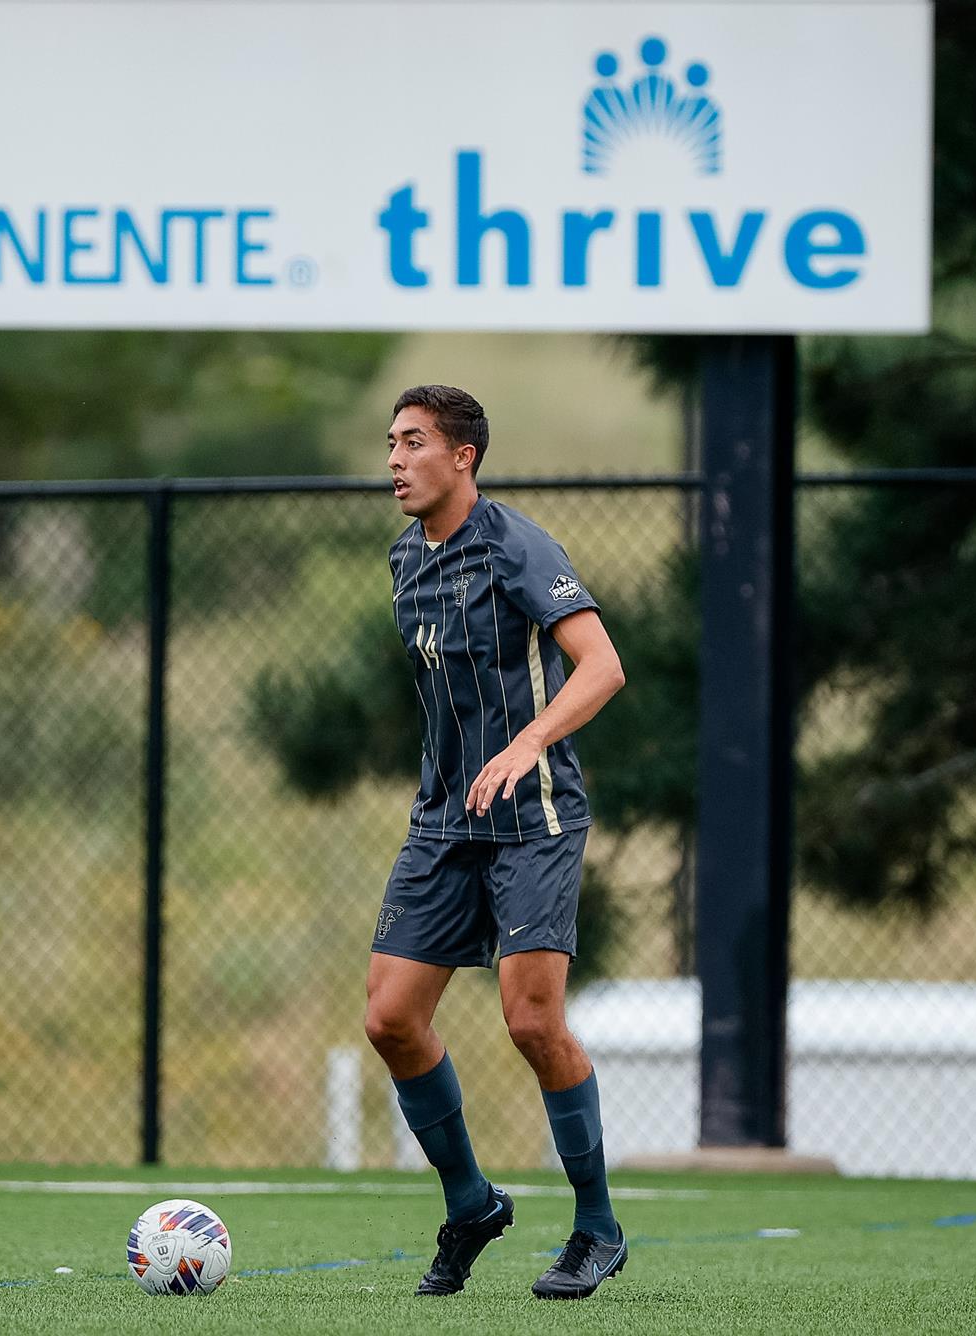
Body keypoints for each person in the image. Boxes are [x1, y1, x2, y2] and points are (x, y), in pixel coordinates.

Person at [367, 384, 629, 1300]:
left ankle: (596, 1227)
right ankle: (472, 1202)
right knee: (390, 1018)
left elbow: (602, 666)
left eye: (414, 443)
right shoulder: (405, 558)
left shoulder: (519, 547)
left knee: (530, 1021)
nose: (395, 460)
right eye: (391, 442)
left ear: (464, 456)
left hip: (535, 817)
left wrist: (527, 742)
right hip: (444, 819)